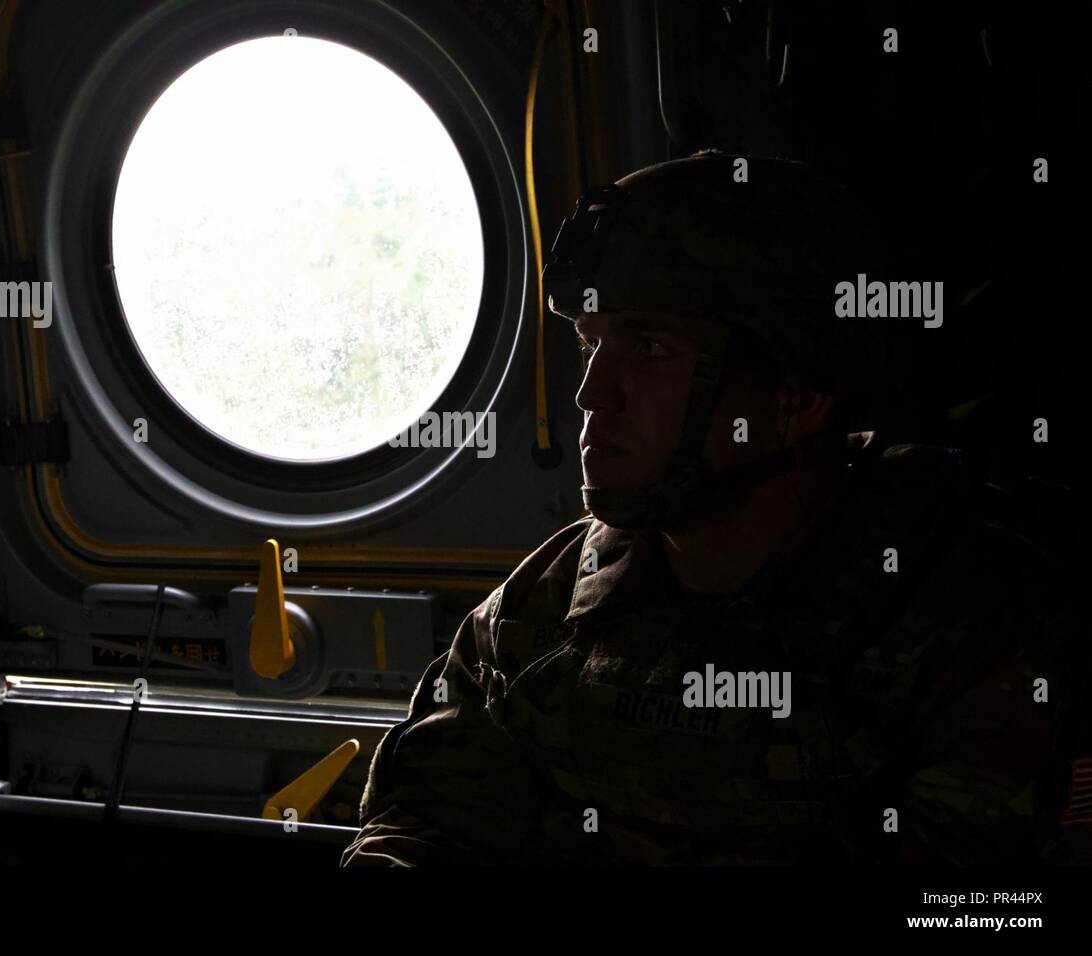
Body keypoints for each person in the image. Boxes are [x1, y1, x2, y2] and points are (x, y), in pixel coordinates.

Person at [340, 153, 1080, 865]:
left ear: (797, 398)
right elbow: (422, 822)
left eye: (652, 348)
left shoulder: (969, 623)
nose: (592, 395)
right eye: (592, 345)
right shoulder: (544, 608)